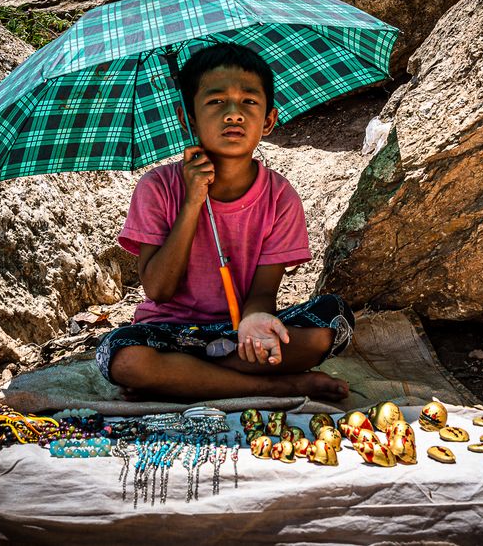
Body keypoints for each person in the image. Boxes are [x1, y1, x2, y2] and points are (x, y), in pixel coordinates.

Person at [95, 43, 354, 402]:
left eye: (248, 101)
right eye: (216, 102)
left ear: (268, 120)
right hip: (169, 335)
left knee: (332, 321)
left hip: (239, 336)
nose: (234, 114)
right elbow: (157, 289)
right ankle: (279, 386)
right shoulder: (156, 187)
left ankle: (186, 380)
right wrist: (192, 202)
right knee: (122, 358)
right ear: (188, 119)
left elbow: (264, 291)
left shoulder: (280, 196)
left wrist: (254, 322)